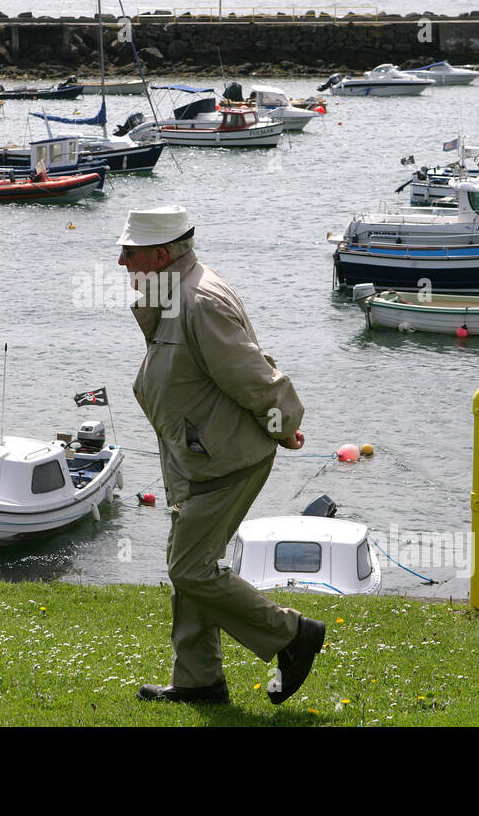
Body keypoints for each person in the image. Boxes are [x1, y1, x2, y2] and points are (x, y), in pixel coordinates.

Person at [117, 205, 326, 706]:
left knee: (190, 568)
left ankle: (294, 636)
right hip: (196, 454)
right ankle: (199, 681)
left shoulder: (198, 300)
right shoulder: (174, 292)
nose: (121, 261)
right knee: (191, 563)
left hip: (223, 460)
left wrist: (283, 425)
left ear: (161, 254)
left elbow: (252, 374)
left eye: (129, 251)